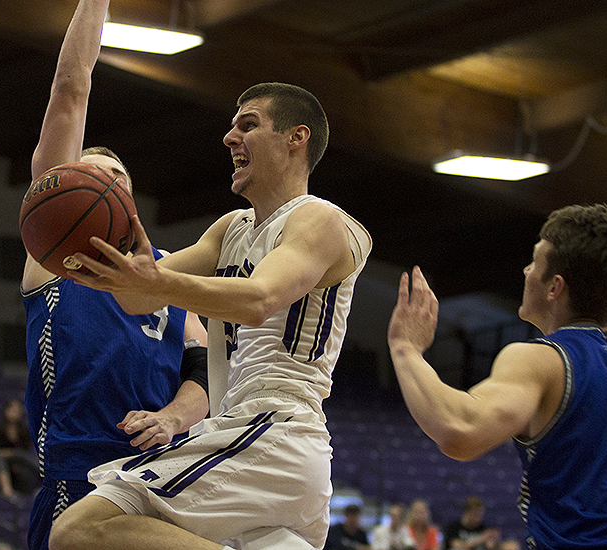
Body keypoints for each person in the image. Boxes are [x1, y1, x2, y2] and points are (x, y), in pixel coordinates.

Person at [50, 35, 370, 550]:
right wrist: (98, 264)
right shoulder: (231, 229)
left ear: (296, 138)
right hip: (241, 434)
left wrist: (158, 281)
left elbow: (260, 298)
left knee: (82, 530)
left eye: (248, 125)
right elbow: (140, 299)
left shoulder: (320, 220)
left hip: (274, 429)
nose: (228, 137)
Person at [387, 205, 607, 549]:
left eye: (534, 261)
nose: (526, 270)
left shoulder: (541, 361)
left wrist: (406, 348)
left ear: (555, 287)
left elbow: (460, 430)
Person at [20, 0, 211, 548]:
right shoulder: (54, 257)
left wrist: (173, 417)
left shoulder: (171, 277)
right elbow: (71, 88)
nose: (110, 186)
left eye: (118, 180)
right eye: (94, 178)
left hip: (156, 478)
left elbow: (201, 376)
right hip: (75, 480)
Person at [0, 399, 38, 494]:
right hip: (2, 461)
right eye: (12, 410)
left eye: (17, 411)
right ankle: (41, 468)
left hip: (20, 462)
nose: (14, 413)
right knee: (18, 455)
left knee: (25, 473)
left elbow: (26, 451)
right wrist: (10, 454)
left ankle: (24, 500)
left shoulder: (24, 431)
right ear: (6, 410)